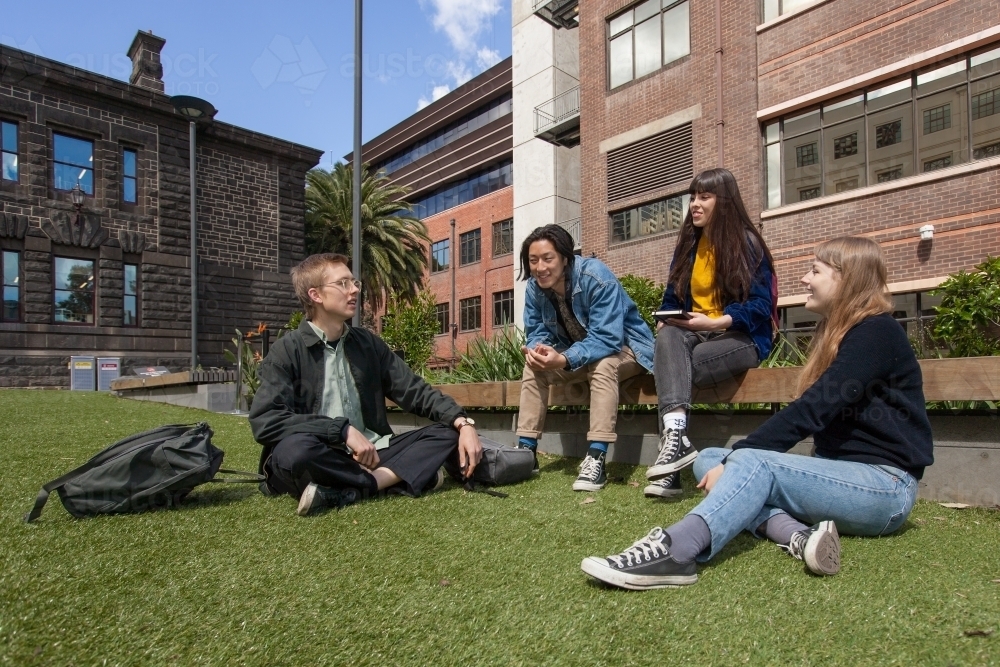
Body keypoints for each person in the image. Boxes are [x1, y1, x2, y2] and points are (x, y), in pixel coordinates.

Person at [581, 236, 934, 588]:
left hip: (885, 489)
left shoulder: (877, 332)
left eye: (815, 271)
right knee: (708, 460)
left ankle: (676, 551)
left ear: (847, 278)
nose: (804, 279)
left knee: (746, 461)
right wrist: (731, 460)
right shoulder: (838, 333)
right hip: (844, 478)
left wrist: (740, 458)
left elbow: (813, 410)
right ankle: (798, 536)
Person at [249, 253, 483, 516]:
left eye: (354, 282)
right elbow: (266, 421)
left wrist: (462, 422)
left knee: (444, 433)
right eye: (343, 283)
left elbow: (414, 391)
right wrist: (340, 431)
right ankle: (386, 480)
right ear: (315, 295)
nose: (355, 290)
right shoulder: (286, 350)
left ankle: (357, 486)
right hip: (321, 455)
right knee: (293, 451)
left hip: (374, 454)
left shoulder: (367, 343)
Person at [642, 168, 777, 499]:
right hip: (693, 334)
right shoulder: (689, 245)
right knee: (668, 340)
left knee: (679, 366)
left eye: (704, 197)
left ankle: (671, 466)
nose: (694, 205)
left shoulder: (747, 243)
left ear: (725, 201)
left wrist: (715, 322)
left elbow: (762, 306)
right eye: (692, 197)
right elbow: (672, 297)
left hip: (740, 337)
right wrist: (665, 320)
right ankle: (676, 441)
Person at [515, 224, 656, 492]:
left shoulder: (595, 276)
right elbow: (535, 332)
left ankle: (596, 457)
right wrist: (540, 351)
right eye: (533, 261)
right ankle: (526, 452)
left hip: (628, 349)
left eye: (548, 258)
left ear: (565, 258)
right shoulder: (535, 288)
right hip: (577, 355)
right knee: (533, 367)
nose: (540, 267)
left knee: (603, 364)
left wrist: (565, 359)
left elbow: (608, 339)